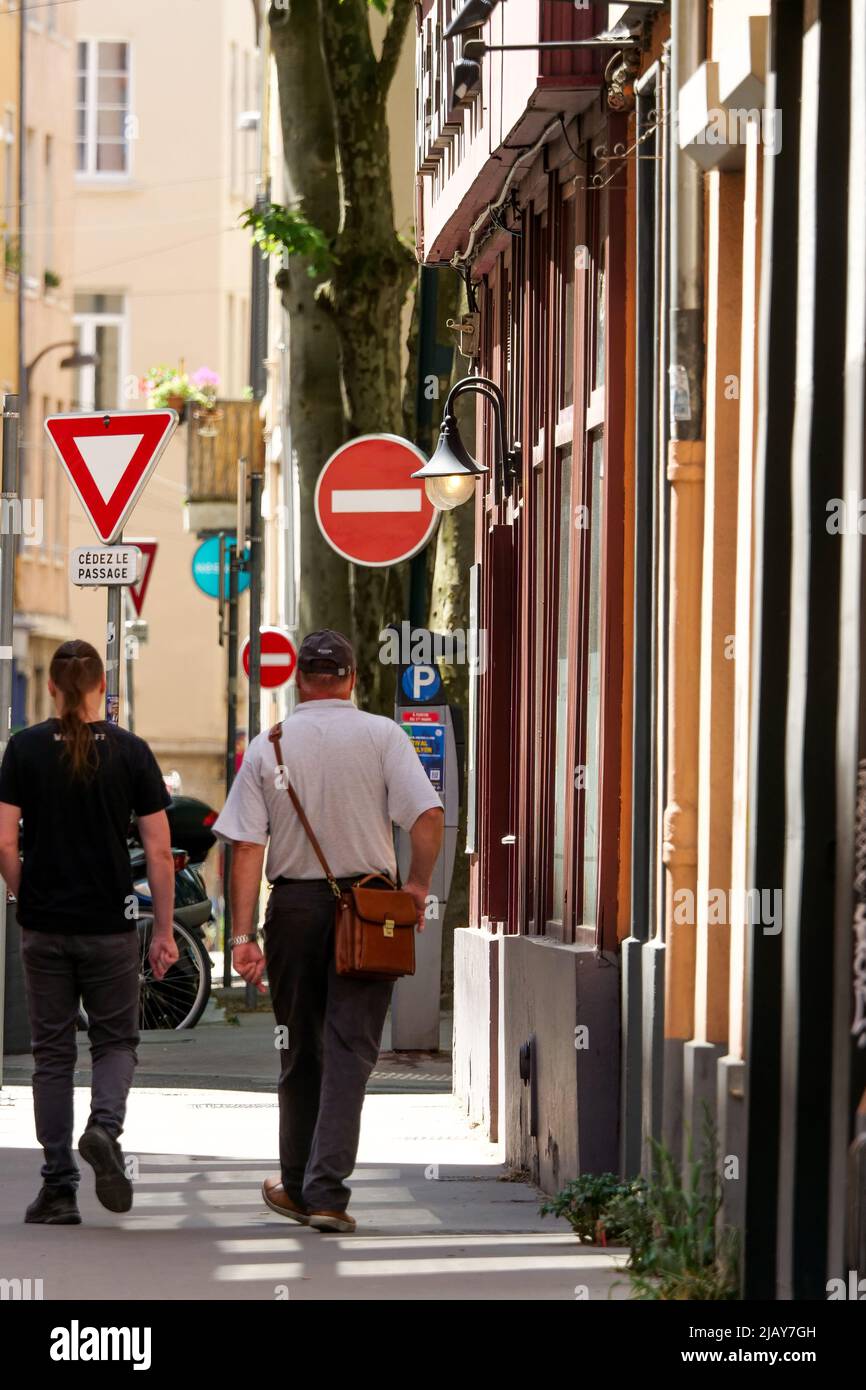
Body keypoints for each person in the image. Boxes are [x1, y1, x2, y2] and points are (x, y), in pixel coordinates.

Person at [214, 629, 444, 1234]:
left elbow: (245, 848)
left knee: (298, 1049)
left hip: (292, 912)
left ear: (299, 681)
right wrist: (417, 889)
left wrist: (241, 939)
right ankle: (325, 1194)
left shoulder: (269, 746)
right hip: (370, 912)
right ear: (350, 678)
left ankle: (296, 1184)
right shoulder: (382, 736)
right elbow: (426, 815)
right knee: (350, 1051)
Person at [0, 639, 178, 1226]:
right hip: (109, 926)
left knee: (51, 1056)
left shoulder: (23, 749)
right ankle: (103, 1127)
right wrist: (164, 931)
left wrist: (29, 896)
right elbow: (158, 850)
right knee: (115, 1042)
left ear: (52, 688)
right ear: (103, 686)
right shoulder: (131, 753)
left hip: (44, 927)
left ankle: (57, 1187)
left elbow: (3, 841)